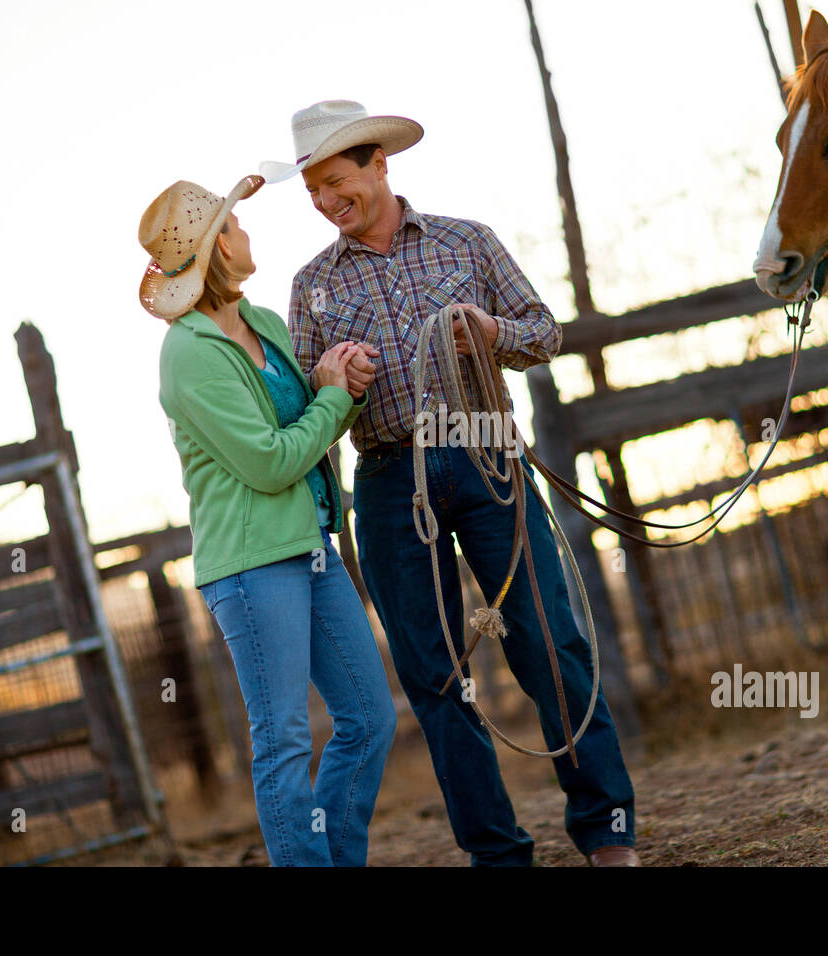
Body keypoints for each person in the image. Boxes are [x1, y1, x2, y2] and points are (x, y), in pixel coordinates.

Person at [261, 101, 640, 866]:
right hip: (389, 474)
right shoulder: (312, 287)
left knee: (549, 642)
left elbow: (543, 330)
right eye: (315, 194)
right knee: (436, 677)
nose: (330, 204)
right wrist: (337, 379)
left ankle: (608, 832)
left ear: (379, 164)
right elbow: (304, 404)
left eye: (340, 183)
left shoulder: (469, 242)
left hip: (484, 450)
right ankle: (497, 855)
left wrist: (494, 334)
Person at [140, 173, 396, 866]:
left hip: (311, 544)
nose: (246, 232)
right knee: (282, 741)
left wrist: (326, 379)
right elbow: (268, 462)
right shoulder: (189, 353)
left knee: (371, 717)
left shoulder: (264, 325)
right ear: (217, 250)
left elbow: (297, 417)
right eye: (234, 225)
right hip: (253, 567)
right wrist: (335, 400)